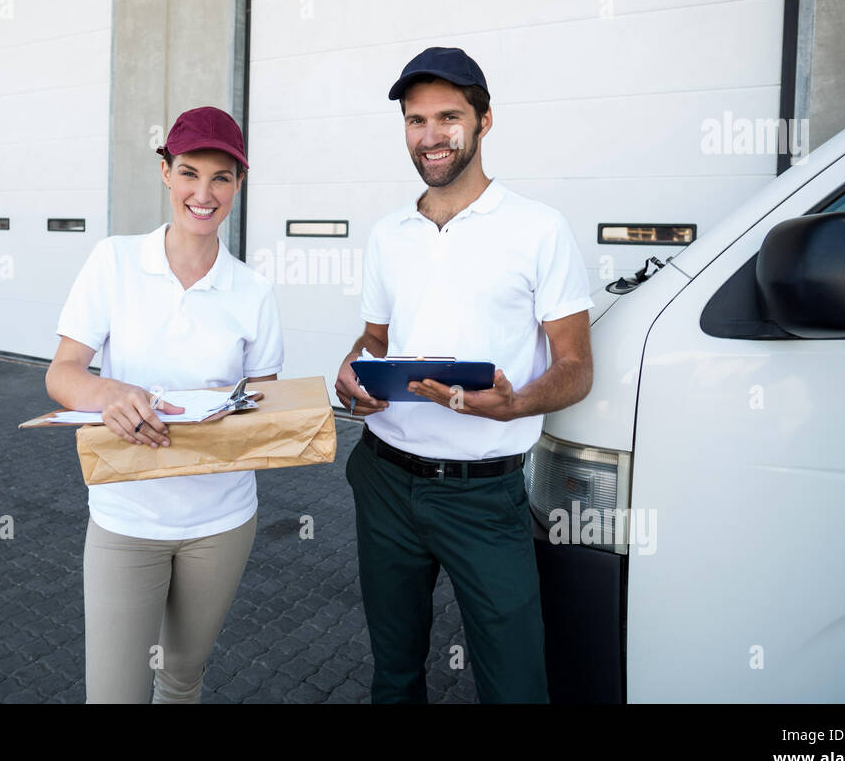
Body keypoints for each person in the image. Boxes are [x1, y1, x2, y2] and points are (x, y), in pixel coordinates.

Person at [334, 47, 594, 703]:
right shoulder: (390, 234)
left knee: (515, 685)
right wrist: (353, 370)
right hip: (385, 478)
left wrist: (517, 404)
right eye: (416, 120)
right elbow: (376, 339)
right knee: (393, 676)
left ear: (484, 121)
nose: (431, 136)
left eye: (449, 116)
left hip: (484, 498)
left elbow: (576, 367)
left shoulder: (539, 229)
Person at [46, 105, 283, 704]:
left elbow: (261, 405)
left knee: (180, 680)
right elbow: (62, 373)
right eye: (188, 173)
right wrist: (108, 394)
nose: (203, 193)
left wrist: (250, 415)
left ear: (239, 184)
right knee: (114, 695)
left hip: (221, 521)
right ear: (165, 174)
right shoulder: (115, 261)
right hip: (128, 516)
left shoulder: (253, 292)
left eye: (221, 178)